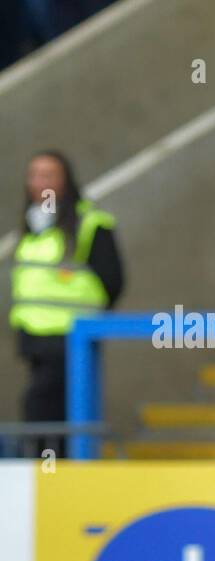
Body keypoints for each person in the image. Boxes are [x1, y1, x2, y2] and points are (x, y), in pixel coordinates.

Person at [10, 150, 124, 456]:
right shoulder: (34, 227)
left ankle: (53, 479)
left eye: (49, 175)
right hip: (35, 338)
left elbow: (112, 280)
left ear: (66, 180)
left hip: (71, 338)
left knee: (49, 413)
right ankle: (48, 479)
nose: (40, 182)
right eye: (35, 174)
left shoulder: (90, 222)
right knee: (45, 414)